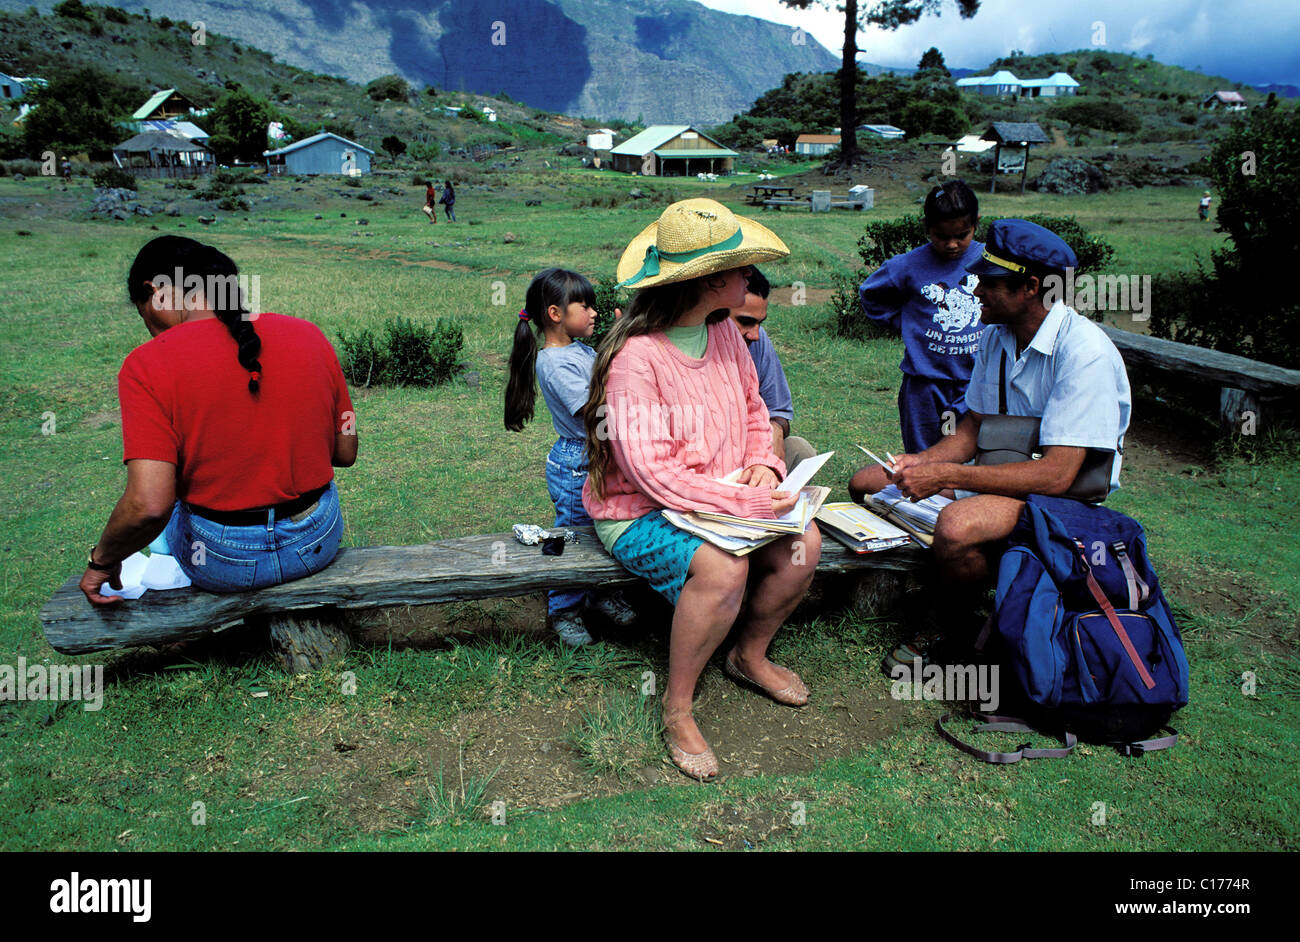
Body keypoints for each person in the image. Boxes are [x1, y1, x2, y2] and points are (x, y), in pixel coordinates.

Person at [582, 198, 822, 780]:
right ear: (712, 279)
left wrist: (764, 462)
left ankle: (749, 654)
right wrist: (750, 500)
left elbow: (751, 408)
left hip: (718, 497)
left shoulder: (725, 335)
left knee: (804, 544)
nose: (750, 277)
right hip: (638, 509)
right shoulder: (637, 358)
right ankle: (678, 708)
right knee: (723, 570)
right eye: (741, 267)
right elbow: (650, 473)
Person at [852, 220, 1131, 668]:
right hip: (1005, 479)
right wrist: (918, 463)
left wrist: (946, 475)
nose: (975, 290)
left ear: (1030, 288)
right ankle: (947, 579)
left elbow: (1058, 474)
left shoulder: (1084, 353)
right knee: (868, 484)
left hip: (1064, 502)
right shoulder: (998, 336)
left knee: (958, 526)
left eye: (988, 282)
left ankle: (950, 622)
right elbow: (970, 430)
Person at [80, 236, 358, 605]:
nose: (147, 326)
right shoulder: (307, 333)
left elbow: (149, 505)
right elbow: (345, 450)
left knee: (164, 487)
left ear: (156, 291)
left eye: (142, 310)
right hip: (316, 541)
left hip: (224, 561)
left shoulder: (147, 364)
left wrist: (102, 560)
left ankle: (164, 572)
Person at [504, 267, 637, 646]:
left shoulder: (577, 350)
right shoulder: (554, 362)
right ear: (555, 314)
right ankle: (563, 610)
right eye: (585, 305)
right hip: (577, 463)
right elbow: (592, 412)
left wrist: (620, 335)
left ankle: (599, 594)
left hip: (597, 456)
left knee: (602, 532)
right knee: (570, 539)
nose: (594, 312)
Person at [855, 180, 984, 458]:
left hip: (975, 382)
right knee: (921, 457)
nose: (951, 244)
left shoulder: (989, 261)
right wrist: (905, 323)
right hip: (923, 385)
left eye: (962, 235)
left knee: (969, 455)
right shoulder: (907, 265)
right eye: (941, 236)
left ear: (977, 223)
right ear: (927, 228)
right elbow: (870, 294)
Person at [728, 266, 817, 472]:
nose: (755, 335)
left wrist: (775, 428)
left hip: (750, 449)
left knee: (800, 451)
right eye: (745, 321)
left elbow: (779, 411)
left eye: (759, 323)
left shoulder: (756, 341)